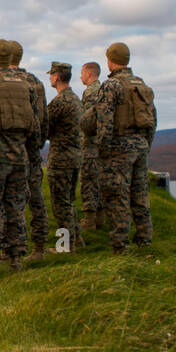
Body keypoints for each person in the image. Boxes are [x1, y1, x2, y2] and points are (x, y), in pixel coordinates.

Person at [82, 43, 157, 253]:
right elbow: (152, 119)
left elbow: (104, 120)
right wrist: (146, 145)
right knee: (140, 195)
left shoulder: (111, 85)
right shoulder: (141, 84)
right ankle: (145, 240)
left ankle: (120, 245)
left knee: (117, 196)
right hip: (140, 145)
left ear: (110, 61)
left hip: (119, 147)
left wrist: (103, 150)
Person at [0, 39, 38, 272]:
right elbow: (35, 124)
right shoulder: (27, 85)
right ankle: (15, 259)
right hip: (20, 155)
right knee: (16, 208)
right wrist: (32, 154)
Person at [9, 41, 49, 262]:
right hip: (31, 148)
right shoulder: (36, 82)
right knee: (36, 198)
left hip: (6, 150)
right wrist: (37, 144)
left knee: (9, 201)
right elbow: (43, 119)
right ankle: (39, 247)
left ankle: (11, 250)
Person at [45, 62, 84, 248]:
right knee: (69, 201)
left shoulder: (59, 102)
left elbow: (45, 129)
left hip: (60, 158)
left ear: (57, 77)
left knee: (60, 205)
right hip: (75, 156)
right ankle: (77, 239)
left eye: (51, 75)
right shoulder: (76, 100)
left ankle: (65, 246)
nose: (50, 78)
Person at [79, 62, 104, 233]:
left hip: (90, 143)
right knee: (99, 180)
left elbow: (87, 120)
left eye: (82, 73)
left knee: (88, 181)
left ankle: (89, 220)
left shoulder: (90, 92)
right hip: (103, 143)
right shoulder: (104, 90)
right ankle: (100, 217)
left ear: (89, 73)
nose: (81, 76)